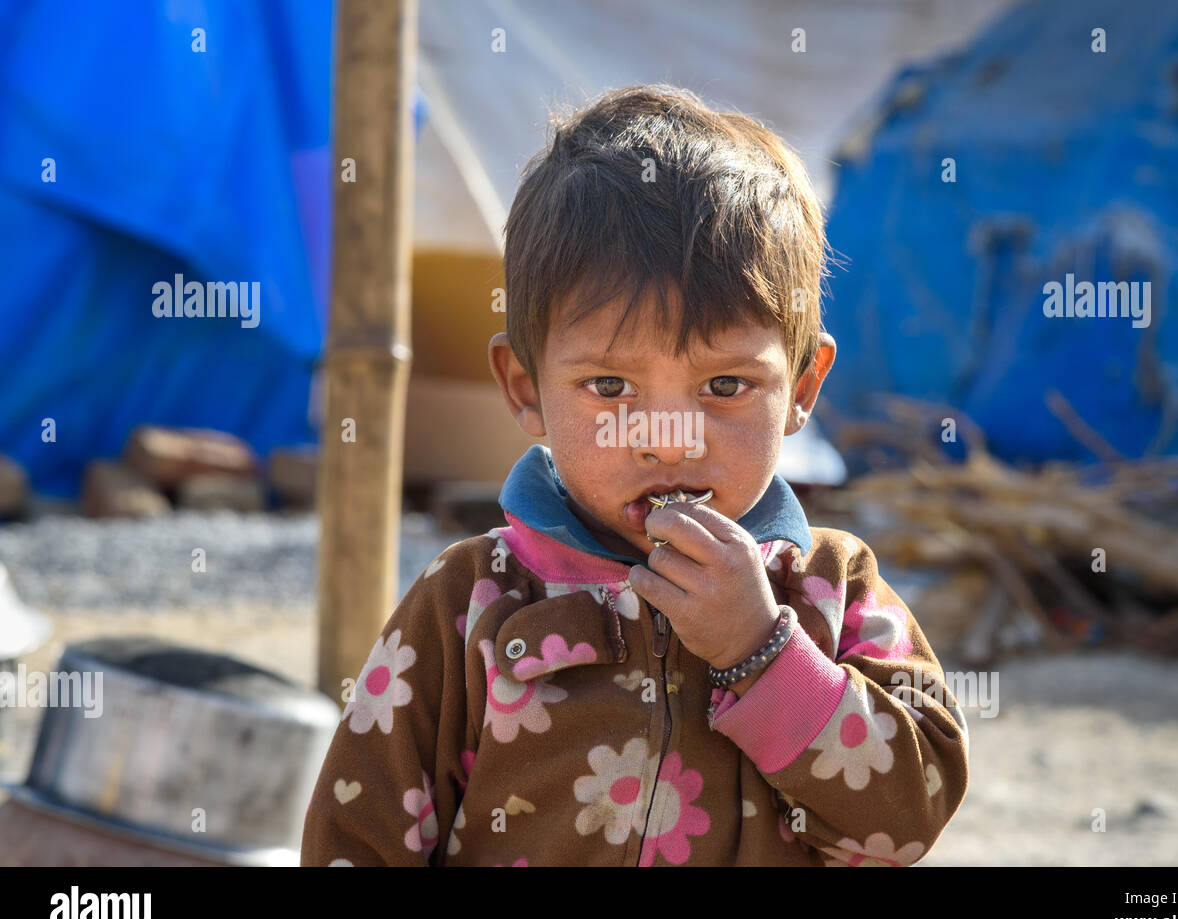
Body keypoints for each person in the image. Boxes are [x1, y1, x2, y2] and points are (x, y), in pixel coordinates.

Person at [301, 83, 969, 866]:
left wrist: (763, 652)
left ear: (804, 387)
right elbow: (359, 837)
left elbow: (909, 817)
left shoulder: (831, 592)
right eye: (611, 388)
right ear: (525, 388)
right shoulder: (471, 602)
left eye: (725, 387)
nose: (669, 441)